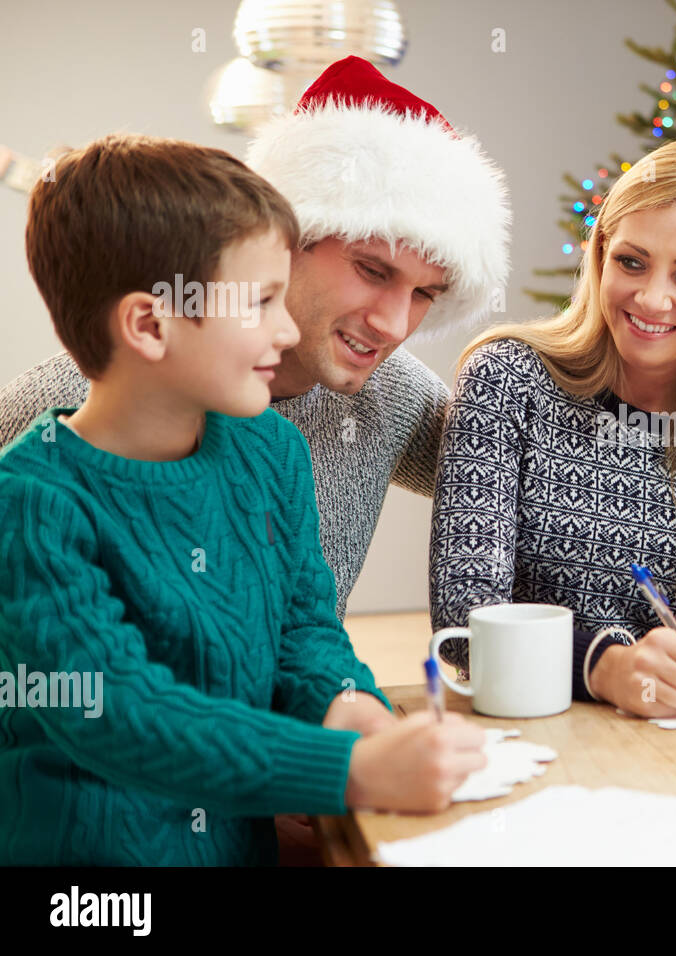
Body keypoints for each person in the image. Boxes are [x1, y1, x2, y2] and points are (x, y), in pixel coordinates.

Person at [0, 135, 486, 865]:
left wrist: (345, 702)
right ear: (149, 325)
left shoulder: (271, 454)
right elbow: (122, 712)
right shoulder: (31, 502)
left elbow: (304, 630)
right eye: (261, 302)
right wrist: (345, 770)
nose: (287, 329)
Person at [0, 55, 512, 626]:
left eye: (426, 295)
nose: (394, 326)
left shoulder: (391, 395)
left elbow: (522, 471)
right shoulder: (66, 406)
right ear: (285, 239)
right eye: (372, 271)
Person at [429, 138, 676, 718]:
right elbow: (463, 627)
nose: (652, 298)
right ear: (600, 252)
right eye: (631, 261)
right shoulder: (506, 381)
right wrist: (606, 666)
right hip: (531, 736)